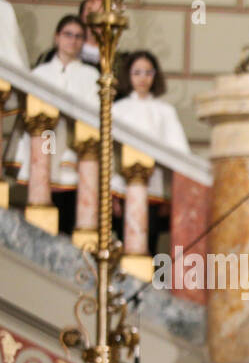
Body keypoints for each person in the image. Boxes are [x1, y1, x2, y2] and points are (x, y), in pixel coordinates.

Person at [15, 16, 99, 234]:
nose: (73, 40)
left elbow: (95, 114)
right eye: (68, 34)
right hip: (44, 148)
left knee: (70, 215)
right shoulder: (39, 74)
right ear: (57, 37)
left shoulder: (91, 76)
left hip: (73, 151)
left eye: (79, 36)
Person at [108, 50, 190, 253]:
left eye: (148, 72)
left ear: (155, 76)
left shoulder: (165, 111)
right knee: (124, 243)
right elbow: (109, 153)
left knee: (150, 245)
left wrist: (171, 194)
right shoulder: (118, 109)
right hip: (123, 187)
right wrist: (111, 191)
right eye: (137, 72)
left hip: (154, 187)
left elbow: (178, 152)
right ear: (129, 75)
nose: (143, 78)